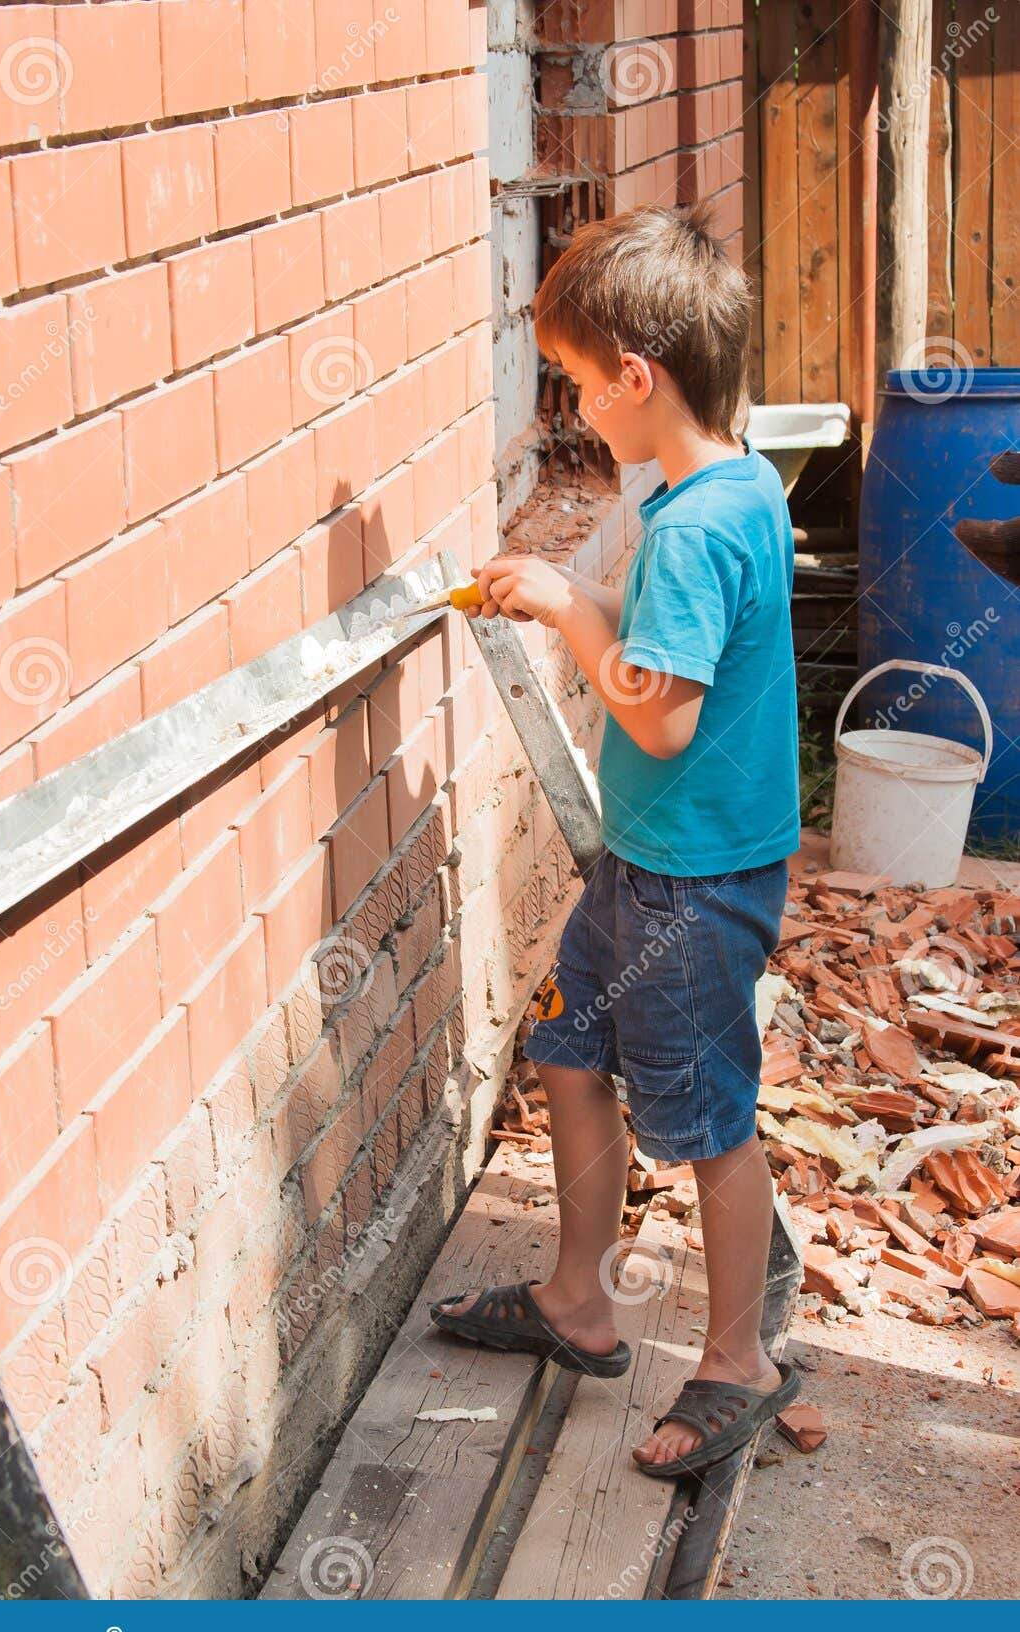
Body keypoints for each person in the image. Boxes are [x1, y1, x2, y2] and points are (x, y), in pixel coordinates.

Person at [430, 202, 802, 1478]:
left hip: (688, 886)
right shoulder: (734, 482)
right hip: (650, 868)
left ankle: (737, 1360)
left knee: (706, 1122)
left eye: (579, 384)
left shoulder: (691, 526)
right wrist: (577, 595)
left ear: (635, 379)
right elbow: (666, 639)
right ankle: (577, 1301)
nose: (578, 409)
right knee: (567, 1047)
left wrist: (568, 615)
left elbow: (658, 713)